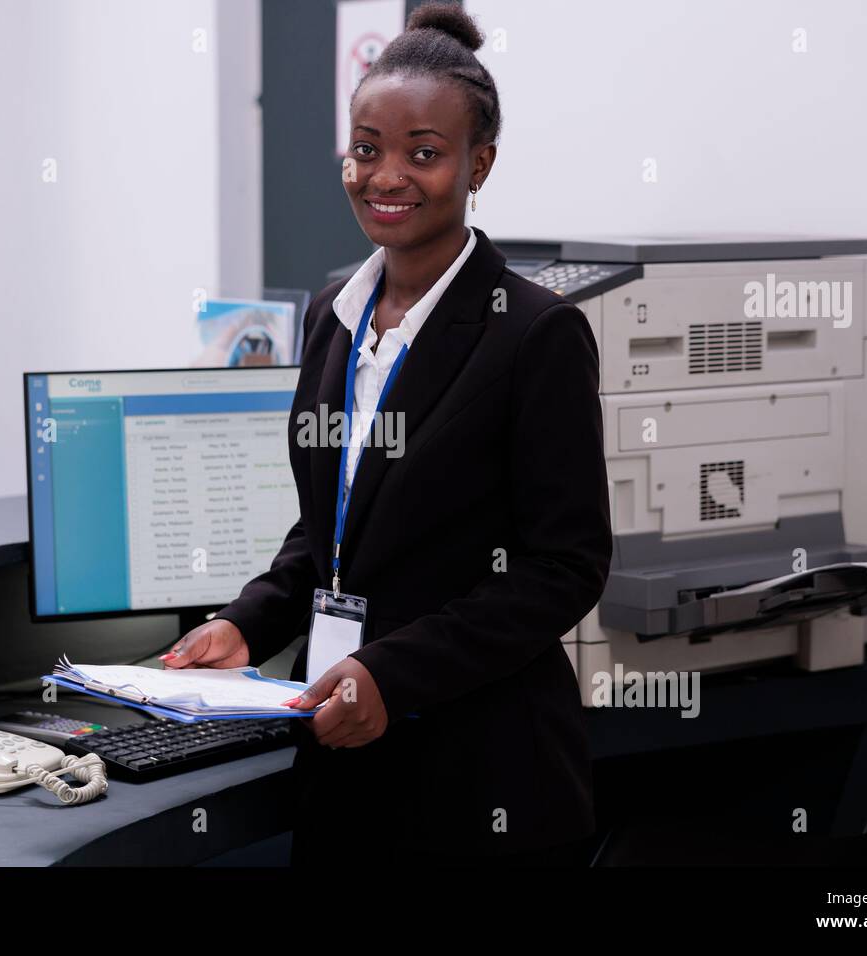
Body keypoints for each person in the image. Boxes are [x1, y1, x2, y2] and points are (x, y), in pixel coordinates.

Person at [164, 1, 612, 867]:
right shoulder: (336, 315)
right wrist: (249, 625)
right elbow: (327, 527)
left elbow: (565, 567)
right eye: (367, 149)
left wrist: (392, 672)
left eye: (424, 153)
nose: (386, 176)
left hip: (482, 780)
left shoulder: (532, 333)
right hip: (344, 768)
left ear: (479, 164)